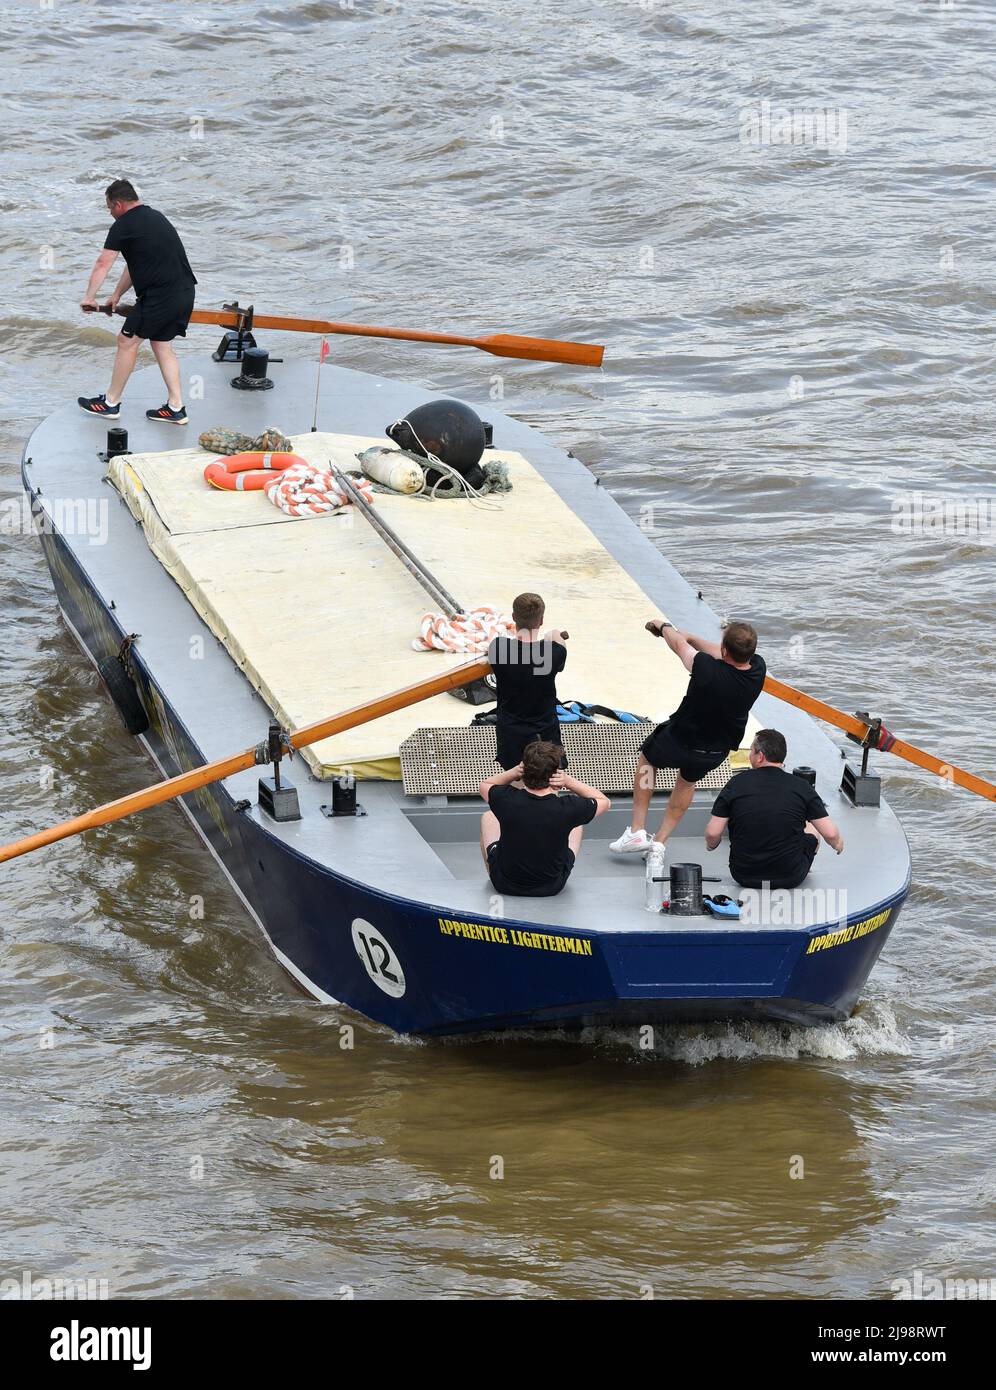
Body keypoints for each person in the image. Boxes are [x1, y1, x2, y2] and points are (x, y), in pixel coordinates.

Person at [611, 619, 765, 855]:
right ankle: (659, 843)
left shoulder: (704, 666)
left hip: (679, 741)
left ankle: (637, 830)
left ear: (724, 650)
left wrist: (664, 628)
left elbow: (678, 646)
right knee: (687, 782)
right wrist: (692, 637)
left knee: (647, 762)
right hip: (714, 751)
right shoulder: (757, 669)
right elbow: (719, 652)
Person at [79, 179, 197, 425]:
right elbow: (136, 265)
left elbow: (103, 262)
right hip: (184, 291)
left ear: (118, 204)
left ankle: (110, 403)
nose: (110, 213)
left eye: (109, 208)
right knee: (161, 344)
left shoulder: (124, 225)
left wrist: (89, 296)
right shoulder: (155, 217)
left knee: (126, 341)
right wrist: (116, 296)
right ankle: (176, 407)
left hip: (160, 296)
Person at [704, 728, 844, 889]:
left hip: (744, 875)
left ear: (760, 756)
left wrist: (712, 845)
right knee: (812, 826)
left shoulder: (735, 784)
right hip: (790, 876)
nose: (750, 755)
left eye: (751, 751)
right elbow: (831, 833)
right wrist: (838, 844)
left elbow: (713, 832)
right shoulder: (801, 786)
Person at [479, 740, 609, 897]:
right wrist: (569, 781)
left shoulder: (506, 799)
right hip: (551, 886)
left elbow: (485, 784)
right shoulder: (569, 807)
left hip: (504, 884)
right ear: (556, 773)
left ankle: (493, 873)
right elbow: (605, 802)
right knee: (576, 825)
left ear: (524, 770)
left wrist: (514, 772)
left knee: (489, 816)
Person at [487, 592, 568, 771]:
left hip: (511, 734)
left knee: (514, 783)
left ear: (514, 617)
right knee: (550, 784)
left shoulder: (498, 648)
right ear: (541, 620)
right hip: (545, 734)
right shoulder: (553, 652)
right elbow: (556, 648)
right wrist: (553, 636)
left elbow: (512, 646)